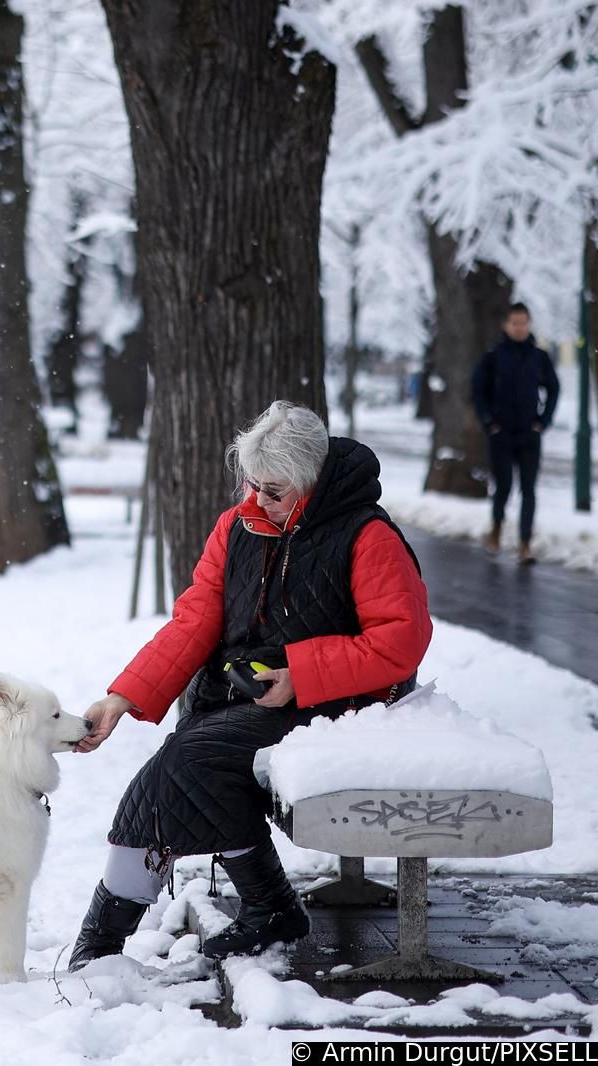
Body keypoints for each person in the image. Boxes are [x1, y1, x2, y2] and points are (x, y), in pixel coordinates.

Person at [66, 402, 432, 969]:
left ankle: (263, 907)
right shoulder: (238, 527)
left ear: (310, 483)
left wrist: (300, 676)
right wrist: (123, 696)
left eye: (275, 490)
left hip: (341, 708)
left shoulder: (368, 536)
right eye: (254, 485)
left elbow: (398, 643)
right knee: (163, 782)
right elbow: (195, 620)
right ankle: (106, 944)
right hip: (250, 701)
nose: (258, 501)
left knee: (189, 760)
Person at [471, 303, 560, 564]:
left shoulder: (539, 357)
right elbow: (478, 391)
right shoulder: (493, 356)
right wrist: (489, 423)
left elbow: (553, 389)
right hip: (501, 434)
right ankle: (496, 529)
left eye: (524, 322)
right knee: (504, 486)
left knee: (529, 490)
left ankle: (525, 543)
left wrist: (543, 422)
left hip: (529, 434)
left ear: (529, 324)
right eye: (515, 322)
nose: (519, 327)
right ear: (506, 325)